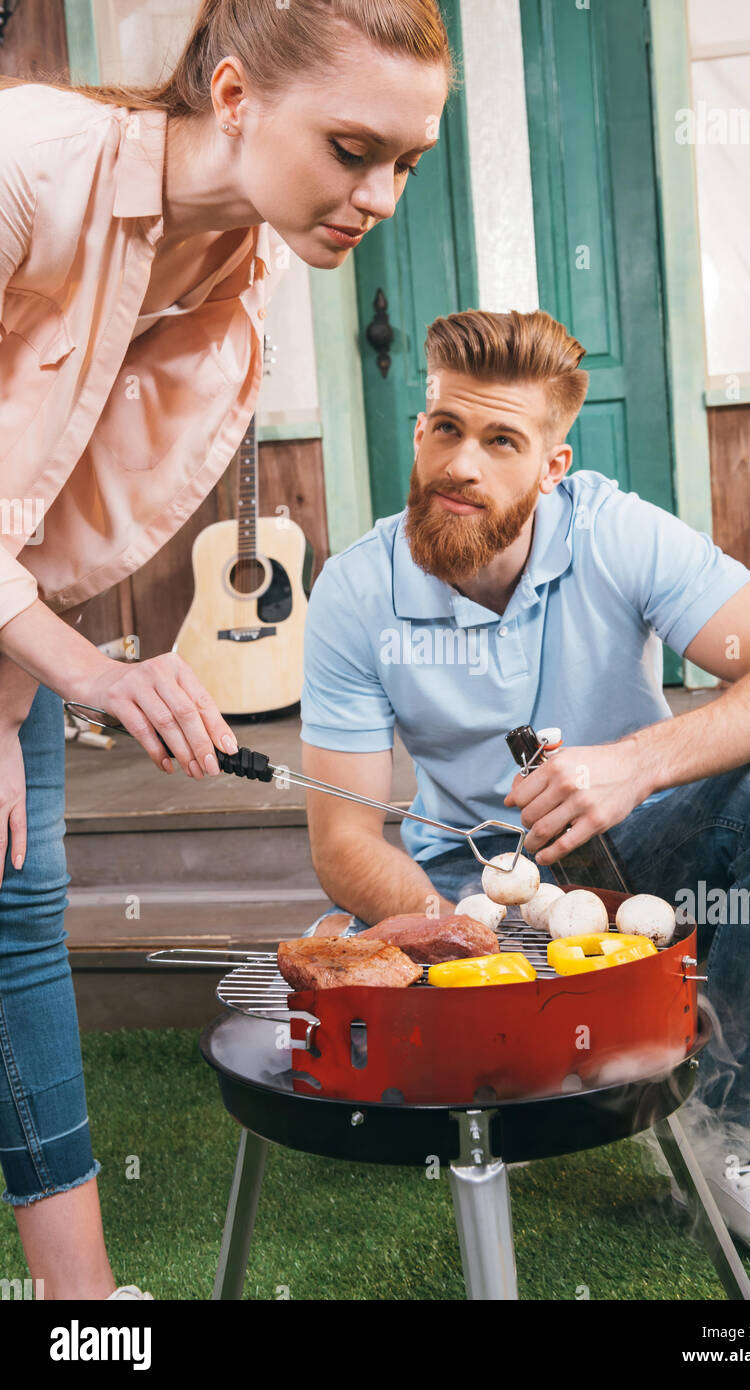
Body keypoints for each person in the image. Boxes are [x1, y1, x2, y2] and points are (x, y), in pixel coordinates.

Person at [0, 0, 453, 1298]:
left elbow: (43, 499)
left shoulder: (226, 280)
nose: (378, 197)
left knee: (20, 915)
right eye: (352, 147)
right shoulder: (26, 169)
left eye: (406, 164)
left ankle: (76, 1308)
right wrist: (86, 669)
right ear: (239, 98)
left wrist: (10, 681)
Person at [299, 307, 750, 1293]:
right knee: (412, 964)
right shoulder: (356, 591)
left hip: (637, 851)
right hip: (472, 891)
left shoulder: (617, 530)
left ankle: (727, 1139)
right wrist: (441, 930)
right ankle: (515, 1052)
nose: (460, 466)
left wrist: (637, 763)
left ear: (553, 467)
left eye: (501, 441)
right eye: (444, 428)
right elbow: (343, 832)